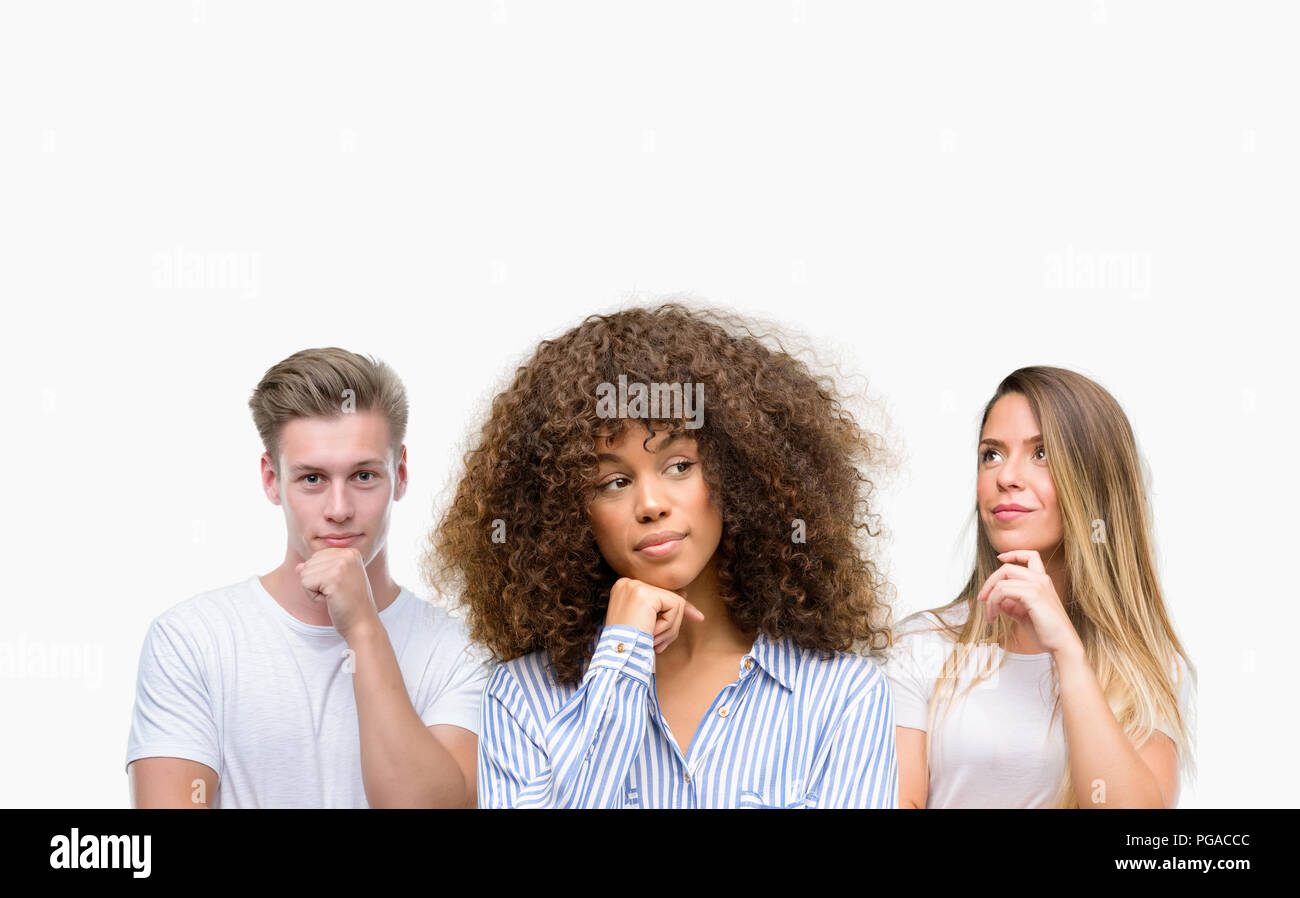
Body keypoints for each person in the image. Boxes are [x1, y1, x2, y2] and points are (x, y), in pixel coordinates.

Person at [426, 302, 897, 808]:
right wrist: (621, 655)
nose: (650, 504)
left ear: (741, 474)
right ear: (564, 512)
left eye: (678, 465)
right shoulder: (522, 700)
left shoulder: (842, 697)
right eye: (614, 481)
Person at [126, 348, 490, 808]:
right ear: (271, 479)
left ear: (399, 474)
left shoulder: (460, 652)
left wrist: (362, 629)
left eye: (363, 475)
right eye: (312, 479)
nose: (339, 509)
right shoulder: (191, 639)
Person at [884, 366, 1195, 808]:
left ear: (1096, 483)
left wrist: (1069, 654)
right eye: (991, 454)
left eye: (1042, 453)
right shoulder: (919, 646)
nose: (1005, 476)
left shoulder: (1149, 665)